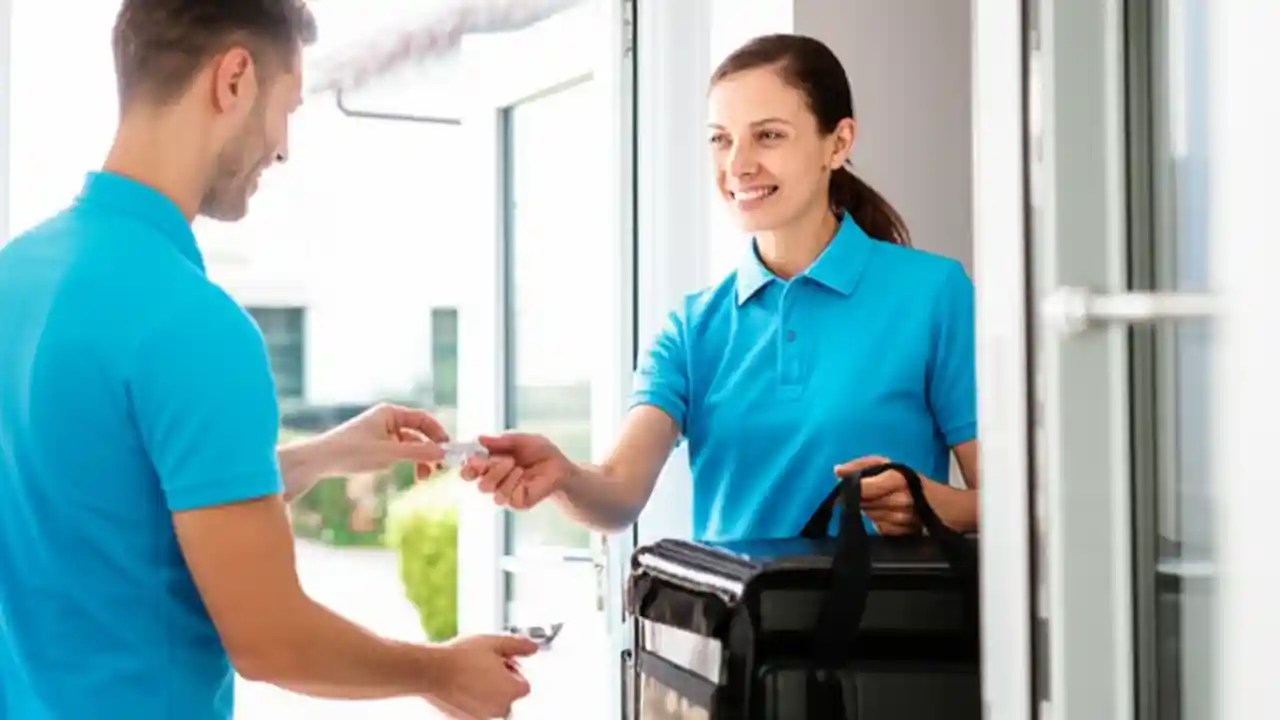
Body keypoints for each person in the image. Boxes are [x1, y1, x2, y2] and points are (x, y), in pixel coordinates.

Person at [0, 2, 533, 719]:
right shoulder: (194, 324)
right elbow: (273, 640)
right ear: (235, 79)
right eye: (289, 107)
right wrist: (441, 670)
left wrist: (323, 456)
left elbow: (110, 499)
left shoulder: (18, 274)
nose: (281, 148)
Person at [463, 33, 980, 542]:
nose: (737, 165)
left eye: (769, 135)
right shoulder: (692, 328)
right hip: (736, 626)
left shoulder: (934, 295)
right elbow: (619, 493)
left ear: (838, 143)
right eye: (720, 138)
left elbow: (1016, 500)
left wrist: (937, 507)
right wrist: (563, 477)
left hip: (891, 625)